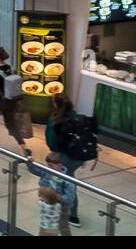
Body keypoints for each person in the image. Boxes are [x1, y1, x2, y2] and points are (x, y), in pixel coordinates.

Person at [45, 93, 94, 228]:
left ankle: (73, 215)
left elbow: (52, 140)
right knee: (66, 181)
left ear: (55, 104)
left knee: (68, 184)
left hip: (65, 157)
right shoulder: (75, 116)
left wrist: (53, 151)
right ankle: (63, 208)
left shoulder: (56, 119)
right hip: (78, 156)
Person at [0, 45, 32, 156]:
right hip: (11, 100)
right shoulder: (10, 67)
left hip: (1, 101)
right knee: (11, 125)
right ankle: (23, 146)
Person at [28, 152, 77, 237]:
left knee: (63, 226)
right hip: (49, 203)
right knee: (47, 225)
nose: (49, 168)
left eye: (51, 166)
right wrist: (30, 164)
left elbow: (70, 197)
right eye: (48, 165)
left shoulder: (67, 180)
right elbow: (36, 171)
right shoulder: (48, 172)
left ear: (60, 165)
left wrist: (55, 196)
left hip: (62, 207)